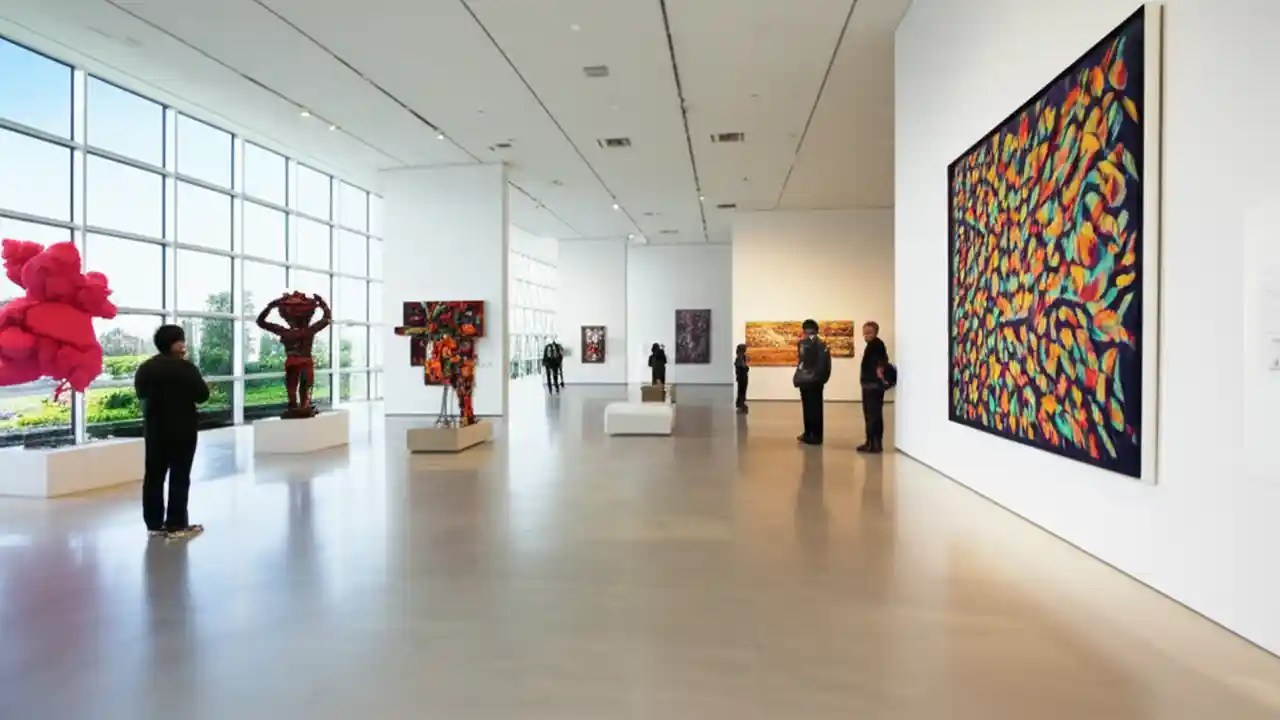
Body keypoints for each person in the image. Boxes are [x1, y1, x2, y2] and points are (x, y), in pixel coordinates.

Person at [134, 325, 210, 539]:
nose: (184, 344)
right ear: (175, 343)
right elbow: (202, 396)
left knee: (154, 477)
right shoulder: (186, 368)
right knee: (179, 476)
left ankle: (154, 524)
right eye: (181, 340)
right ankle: (176, 525)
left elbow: (141, 394)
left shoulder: (145, 368)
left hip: (155, 430)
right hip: (183, 429)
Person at [794, 319, 831, 446]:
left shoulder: (807, 343)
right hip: (815, 381)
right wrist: (822, 379)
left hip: (809, 381)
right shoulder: (822, 344)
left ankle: (812, 435)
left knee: (810, 409)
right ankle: (812, 434)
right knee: (814, 408)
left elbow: (804, 362)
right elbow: (825, 365)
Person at [858, 321, 890, 454]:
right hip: (869, 384)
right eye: (865, 332)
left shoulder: (877, 345)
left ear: (875, 332)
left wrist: (879, 376)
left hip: (873, 386)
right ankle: (870, 442)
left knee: (873, 416)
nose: (866, 335)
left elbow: (881, 364)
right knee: (870, 415)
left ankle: (874, 444)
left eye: (869, 332)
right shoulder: (872, 345)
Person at [734, 343, 750, 414]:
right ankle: (741, 404)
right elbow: (745, 368)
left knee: (741, 391)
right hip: (742, 377)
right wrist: (746, 364)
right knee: (742, 391)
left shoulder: (741, 358)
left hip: (742, 377)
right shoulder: (740, 359)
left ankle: (740, 404)